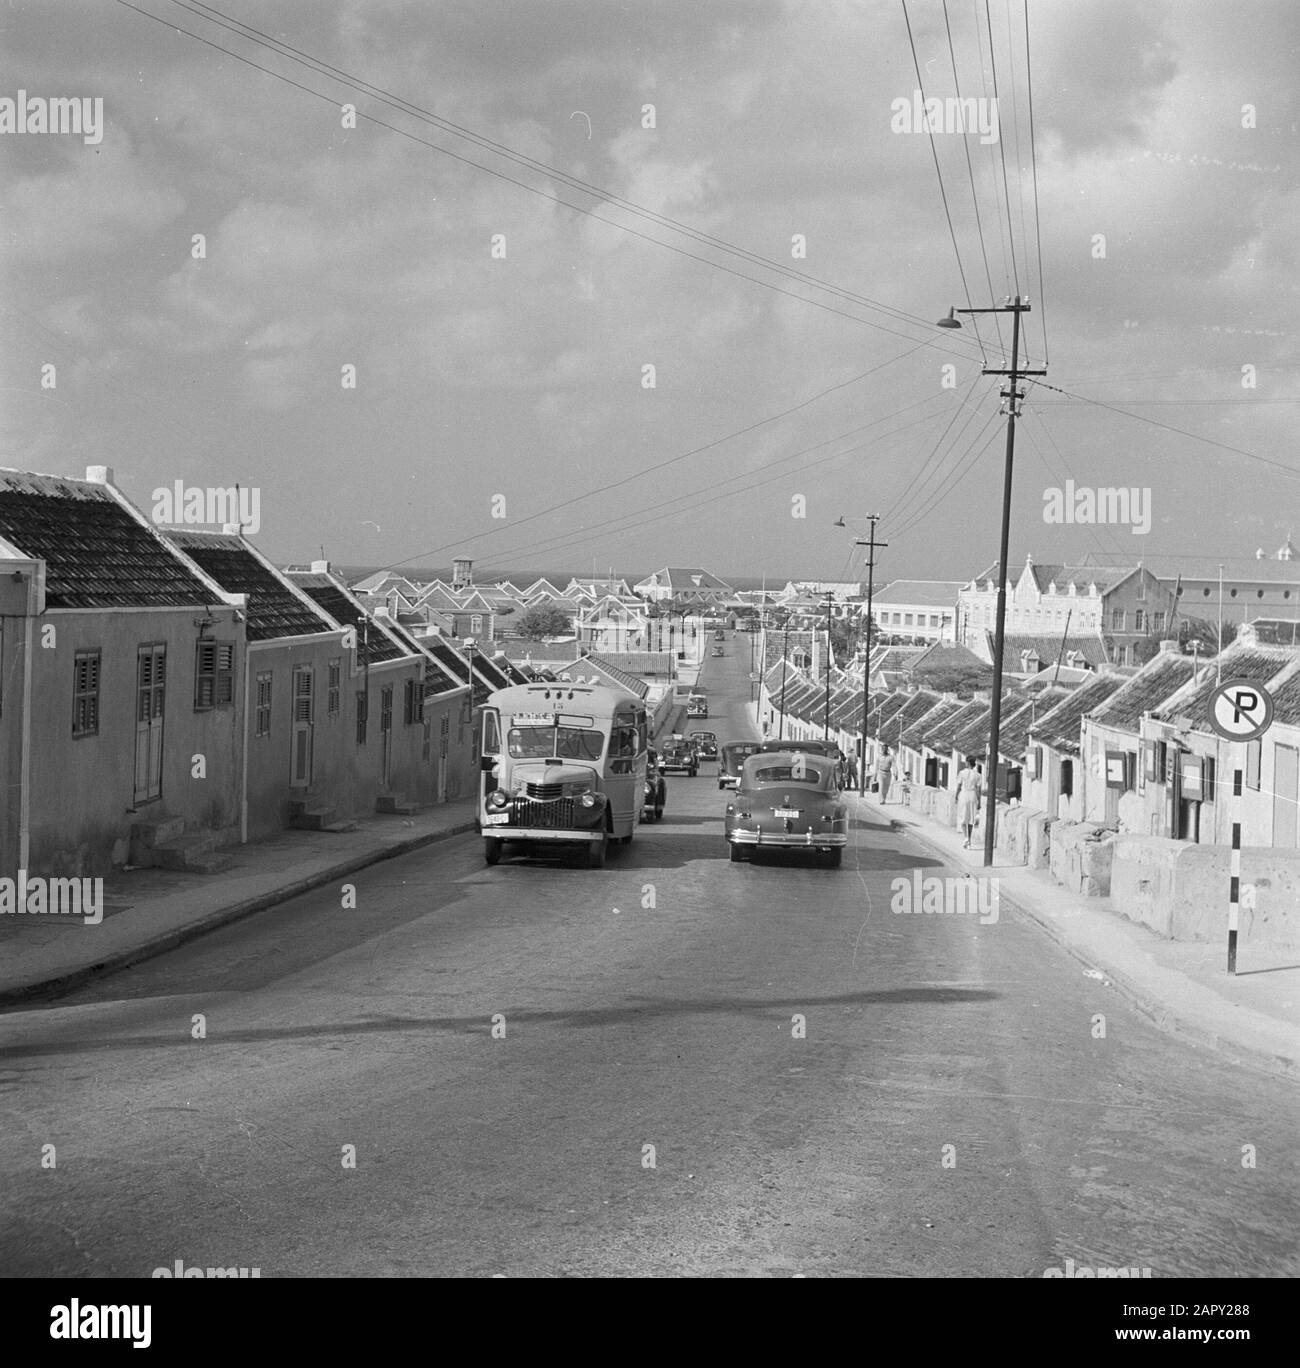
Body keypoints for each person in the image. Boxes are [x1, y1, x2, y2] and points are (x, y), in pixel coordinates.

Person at [956, 754, 983, 848]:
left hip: (964, 794)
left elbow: (959, 786)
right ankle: (969, 840)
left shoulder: (962, 773)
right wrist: (979, 801)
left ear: (967, 763)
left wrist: (956, 796)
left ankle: (966, 837)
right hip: (973, 795)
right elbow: (979, 789)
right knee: (971, 818)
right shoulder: (978, 775)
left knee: (963, 817)